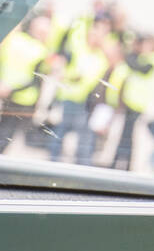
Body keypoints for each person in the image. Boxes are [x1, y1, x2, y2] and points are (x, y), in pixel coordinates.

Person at [48, 15, 113, 166]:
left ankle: (79, 167)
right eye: (95, 33)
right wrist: (71, 77)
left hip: (86, 103)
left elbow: (101, 81)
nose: (96, 37)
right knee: (60, 133)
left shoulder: (101, 57)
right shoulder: (78, 49)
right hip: (67, 97)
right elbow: (62, 70)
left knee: (82, 139)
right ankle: (53, 164)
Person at [0, 15, 54, 155]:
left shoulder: (13, 39)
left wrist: (1, 83)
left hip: (6, 94)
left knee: (1, 129)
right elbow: (36, 80)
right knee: (7, 134)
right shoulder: (41, 51)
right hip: (24, 99)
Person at [107, 32, 154, 172]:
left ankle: (123, 165)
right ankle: (119, 163)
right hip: (130, 103)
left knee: (127, 136)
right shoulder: (143, 58)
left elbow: (137, 66)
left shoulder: (153, 60)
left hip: (137, 105)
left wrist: (128, 52)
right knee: (125, 135)